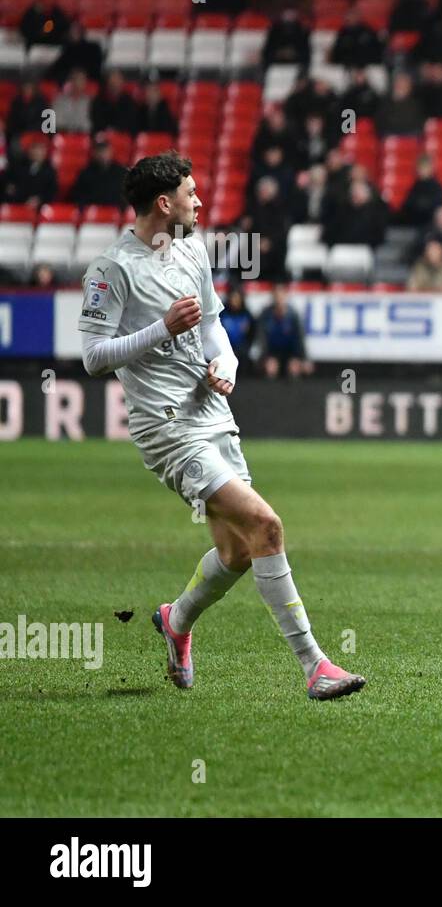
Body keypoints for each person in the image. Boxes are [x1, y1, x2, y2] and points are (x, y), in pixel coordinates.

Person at [77, 151, 363, 700]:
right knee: (267, 527)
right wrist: (160, 330)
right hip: (167, 429)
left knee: (236, 552)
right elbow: (93, 357)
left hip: (212, 414)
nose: (200, 201)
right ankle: (315, 667)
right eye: (191, 192)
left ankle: (177, 620)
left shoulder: (191, 249)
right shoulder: (112, 269)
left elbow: (212, 325)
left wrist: (225, 364)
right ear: (165, 203)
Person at [258, 283, 314, 378]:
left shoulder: (293, 316)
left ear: (285, 296)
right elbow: (262, 340)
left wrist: (304, 359)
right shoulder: (265, 316)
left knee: (294, 369)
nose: (279, 299)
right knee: (270, 368)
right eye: (276, 296)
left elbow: (300, 339)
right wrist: (264, 359)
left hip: (291, 354)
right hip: (273, 354)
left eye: (281, 296)